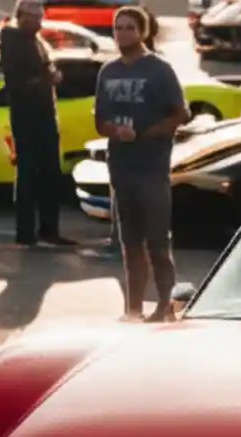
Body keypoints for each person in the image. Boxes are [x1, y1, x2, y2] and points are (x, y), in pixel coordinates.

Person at [95, 6, 190, 322]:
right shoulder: (108, 72)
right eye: (118, 28)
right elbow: (100, 122)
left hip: (152, 168)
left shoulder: (159, 70)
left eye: (129, 28)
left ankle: (166, 306)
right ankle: (133, 308)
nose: (122, 34)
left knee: (158, 244)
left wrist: (150, 133)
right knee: (130, 243)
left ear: (143, 31)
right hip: (121, 168)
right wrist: (115, 131)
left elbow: (180, 114)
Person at [0, 0, 76, 248]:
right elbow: (16, 81)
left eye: (40, 15)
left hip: (44, 113)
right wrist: (47, 77)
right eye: (34, 16)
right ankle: (27, 231)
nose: (39, 20)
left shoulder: (35, 40)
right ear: (20, 16)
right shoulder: (13, 41)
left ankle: (48, 229)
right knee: (29, 174)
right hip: (28, 115)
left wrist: (49, 75)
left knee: (50, 174)